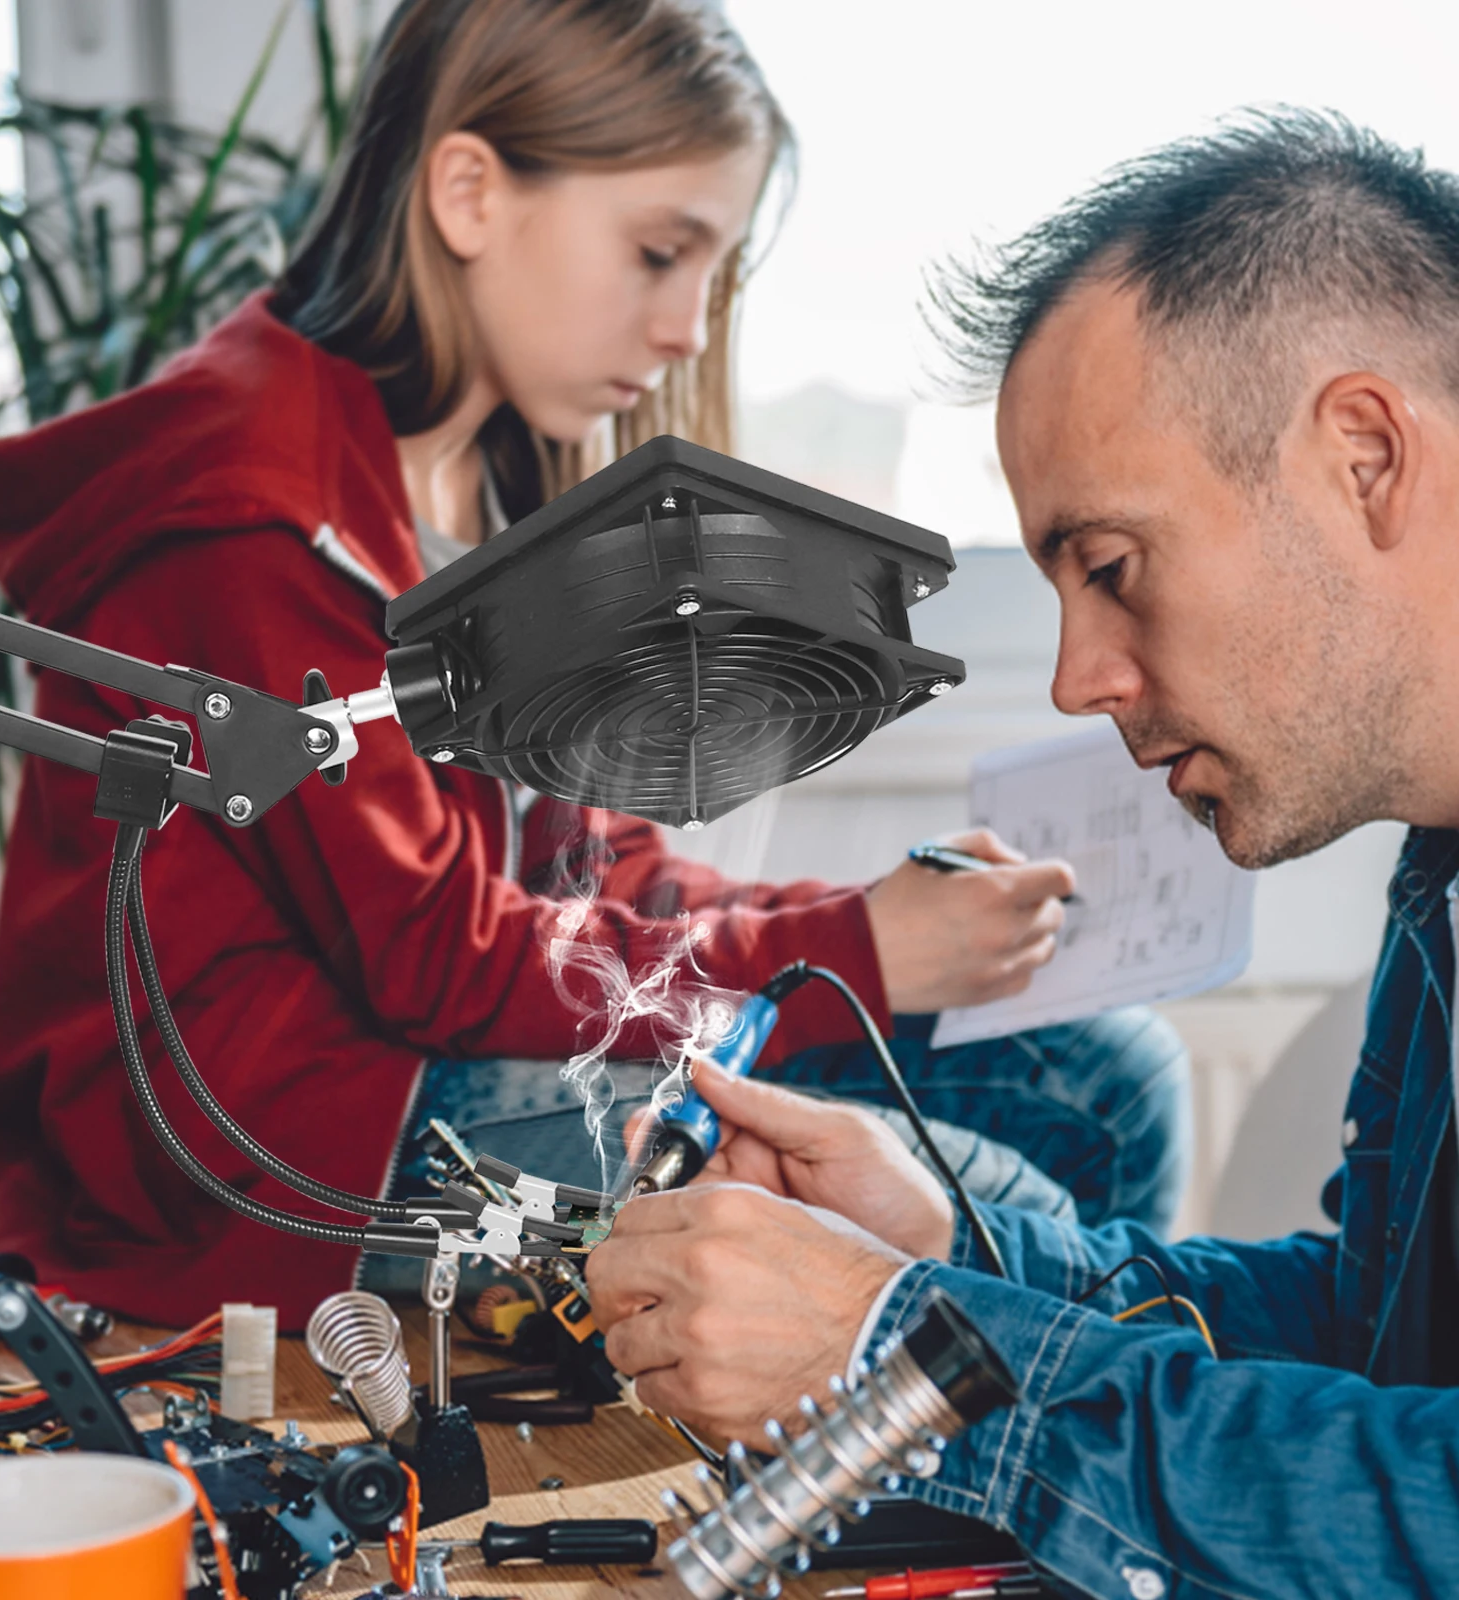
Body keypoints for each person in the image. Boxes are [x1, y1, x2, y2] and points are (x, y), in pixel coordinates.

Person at [0, 0, 1184, 1331]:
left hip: (439, 1053)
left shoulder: (496, 483)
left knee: (1112, 1076)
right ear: (471, 193)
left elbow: (594, 874)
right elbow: (438, 957)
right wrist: (856, 953)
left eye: (712, 273)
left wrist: (875, 925)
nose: (687, 329)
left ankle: (1031, 1485)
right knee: (1002, 1210)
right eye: (662, 253)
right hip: (283, 1146)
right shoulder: (252, 512)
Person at [587, 110, 1459, 1597]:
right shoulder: (1436, 873)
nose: (1077, 676)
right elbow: (1372, 1333)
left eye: (1112, 568)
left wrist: (899, 1351)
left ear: (1365, 456)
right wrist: (954, 1250)